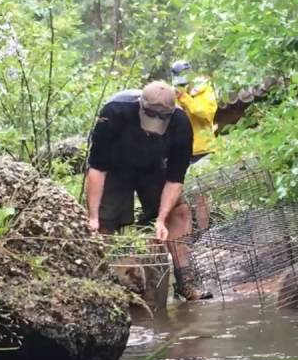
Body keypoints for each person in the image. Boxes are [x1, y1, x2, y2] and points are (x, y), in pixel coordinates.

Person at [85, 81, 210, 300]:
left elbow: (174, 179)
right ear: (140, 106)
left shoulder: (181, 124)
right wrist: (93, 216)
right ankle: (101, 287)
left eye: (161, 120)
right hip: (114, 169)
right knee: (102, 225)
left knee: (178, 212)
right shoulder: (114, 113)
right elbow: (97, 169)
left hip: (153, 168)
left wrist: (161, 219)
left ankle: (186, 282)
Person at [170, 59, 217, 230]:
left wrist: (185, 99)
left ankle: (206, 234)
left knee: (200, 195)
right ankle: (189, 239)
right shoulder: (172, 93)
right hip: (181, 152)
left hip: (202, 149)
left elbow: (206, 114)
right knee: (181, 198)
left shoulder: (205, 90)